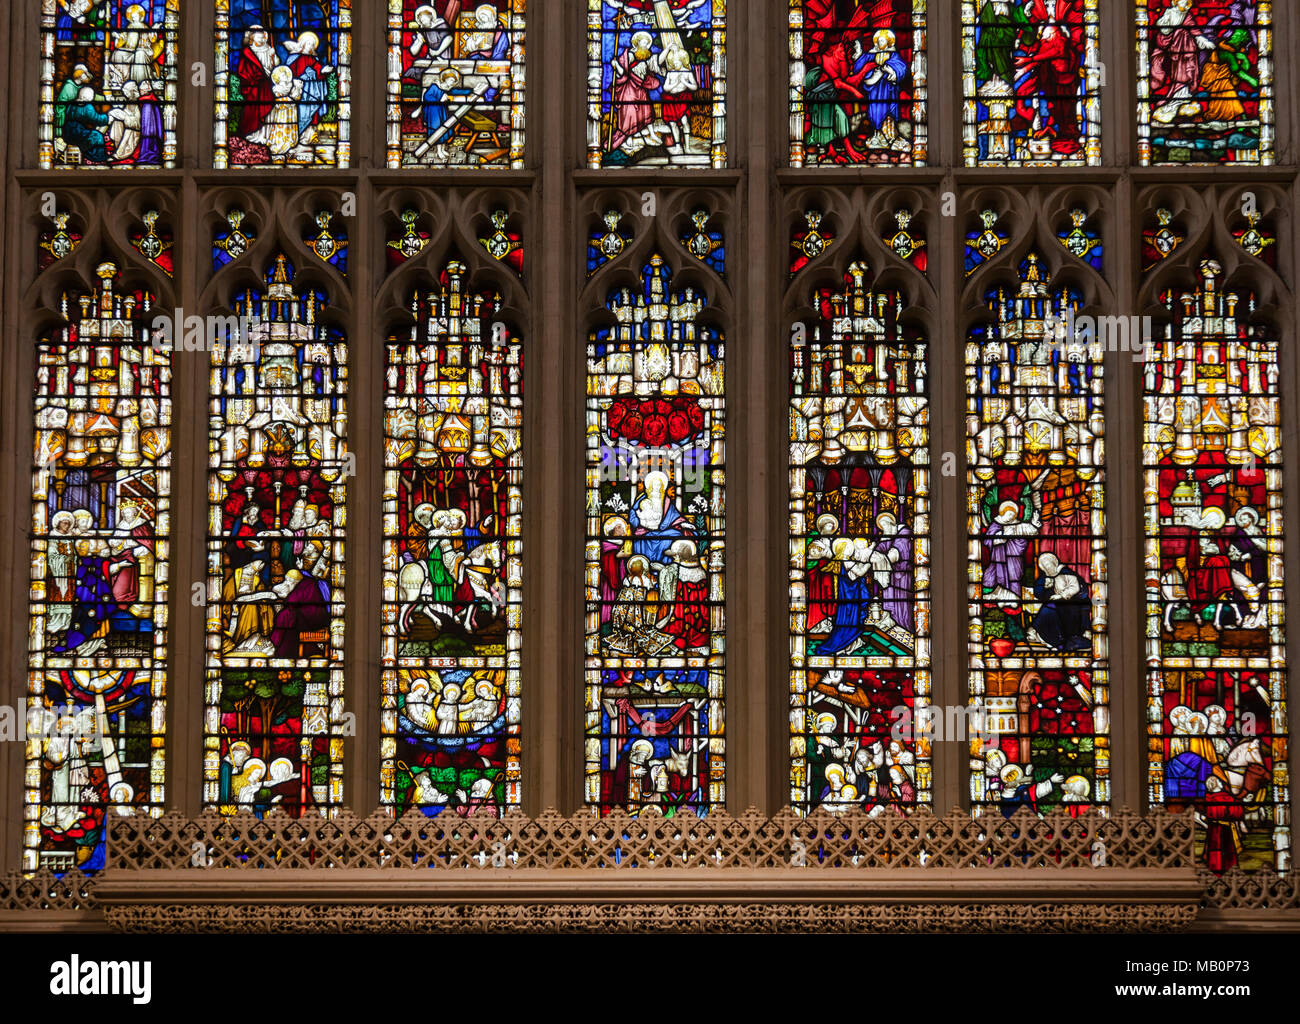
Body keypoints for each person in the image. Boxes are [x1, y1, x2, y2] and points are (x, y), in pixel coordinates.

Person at [608, 31, 665, 154]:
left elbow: (656, 63)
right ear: (637, 43)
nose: (645, 45)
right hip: (629, 88)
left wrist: (667, 50)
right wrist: (616, 65)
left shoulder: (647, 56)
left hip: (641, 88)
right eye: (643, 42)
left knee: (647, 111)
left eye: (647, 43)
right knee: (629, 114)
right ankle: (629, 138)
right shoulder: (628, 55)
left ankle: (652, 134)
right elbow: (622, 73)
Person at [1028, 552, 1091, 650]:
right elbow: (1039, 593)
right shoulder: (1046, 577)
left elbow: (1075, 587)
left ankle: (1040, 632)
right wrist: (1045, 586)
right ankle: (1050, 638)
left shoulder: (1066, 572)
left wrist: (1061, 595)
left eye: (1048, 564)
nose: (1047, 567)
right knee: (1048, 608)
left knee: (1048, 608)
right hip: (1059, 606)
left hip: (1072, 606)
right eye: (1045, 566)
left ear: (1054, 563)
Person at [284, 31, 332, 141]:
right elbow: (288, 73)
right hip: (301, 92)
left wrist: (323, 71)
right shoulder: (294, 58)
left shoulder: (314, 59)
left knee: (312, 115)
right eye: (309, 43)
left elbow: (318, 70)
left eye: (313, 44)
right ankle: (297, 136)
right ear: (303, 44)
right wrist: (297, 80)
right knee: (301, 113)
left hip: (313, 92)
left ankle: (308, 137)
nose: (311, 46)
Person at [236, 26, 278, 138]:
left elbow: (275, 65)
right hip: (254, 87)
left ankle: (265, 134)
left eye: (262, 37)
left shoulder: (268, 49)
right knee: (253, 109)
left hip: (266, 84)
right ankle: (252, 133)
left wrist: (273, 55)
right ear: (252, 38)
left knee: (268, 106)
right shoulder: (247, 52)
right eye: (258, 38)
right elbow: (242, 70)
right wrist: (255, 77)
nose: (261, 40)